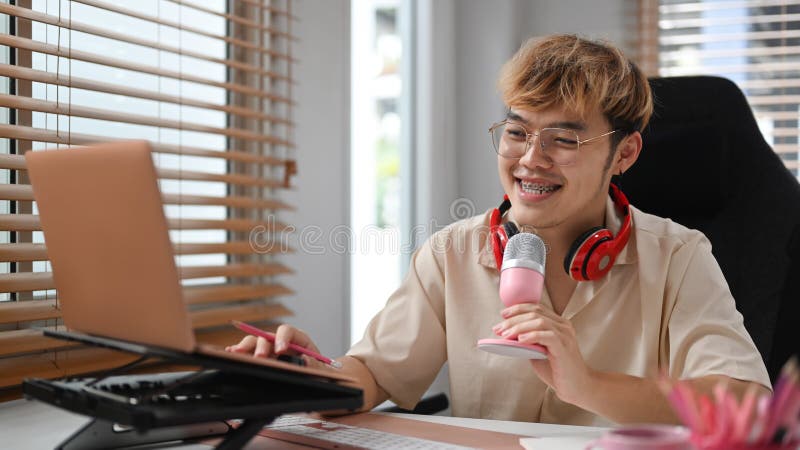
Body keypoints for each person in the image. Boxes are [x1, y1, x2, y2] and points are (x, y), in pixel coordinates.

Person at [227, 34, 771, 426]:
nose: (531, 159)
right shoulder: (452, 252)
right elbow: (374, 374)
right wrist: (303, 376)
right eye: (517, 132)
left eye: (564, 139)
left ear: (623, 152)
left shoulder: (678, 256)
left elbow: (741, 406)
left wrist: (586, 385)